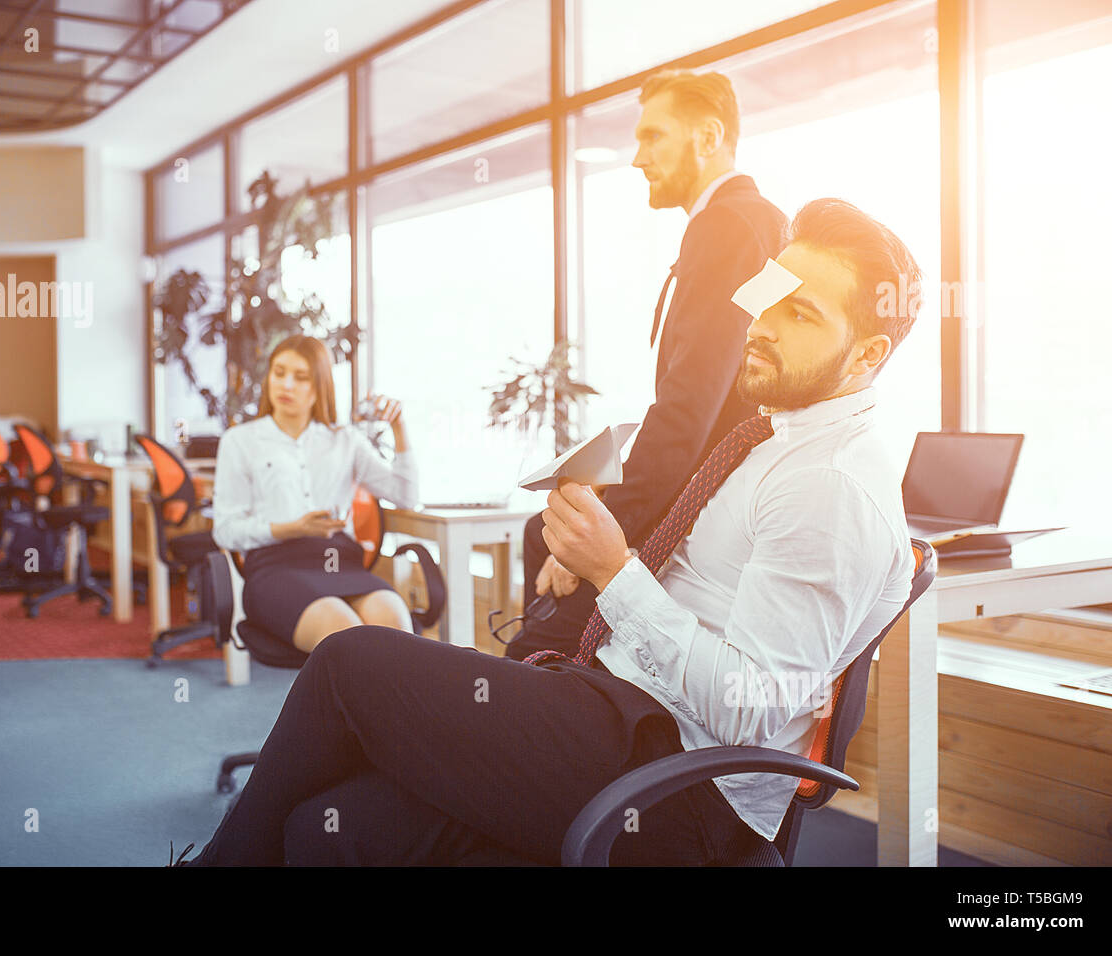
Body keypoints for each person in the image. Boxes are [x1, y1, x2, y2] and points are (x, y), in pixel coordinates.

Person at [178, 198, 921, 866]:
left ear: (866, 356)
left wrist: (615, 572)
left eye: (804, 315)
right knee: (324, 828)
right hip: (621, 713)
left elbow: (755, 710)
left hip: (679, 790)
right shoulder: (779, 437)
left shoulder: (830, 483)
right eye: (772, 298)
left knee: (347, 664)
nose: (766, 325)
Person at [507, 68, 787, 661]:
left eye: (654, 136)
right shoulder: (762, 219)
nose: (638, 158)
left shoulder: (723, 227)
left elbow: (688, 410)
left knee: (535, 629)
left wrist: (608, 529)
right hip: (736, 493)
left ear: (708, 138)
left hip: (706, 506)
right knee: (545, 534)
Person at [211, 334, 419, 653]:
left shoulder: (344, 440)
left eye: (301, 377)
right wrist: (293, 529)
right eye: (279, 373)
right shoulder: (240, 441)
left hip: (341, 564)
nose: (287, 385)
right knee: (348, 640)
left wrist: (400, 428)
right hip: (275, 568)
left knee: (398, 636)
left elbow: (406, 496)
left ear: (319, 385)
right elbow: (225, 531)